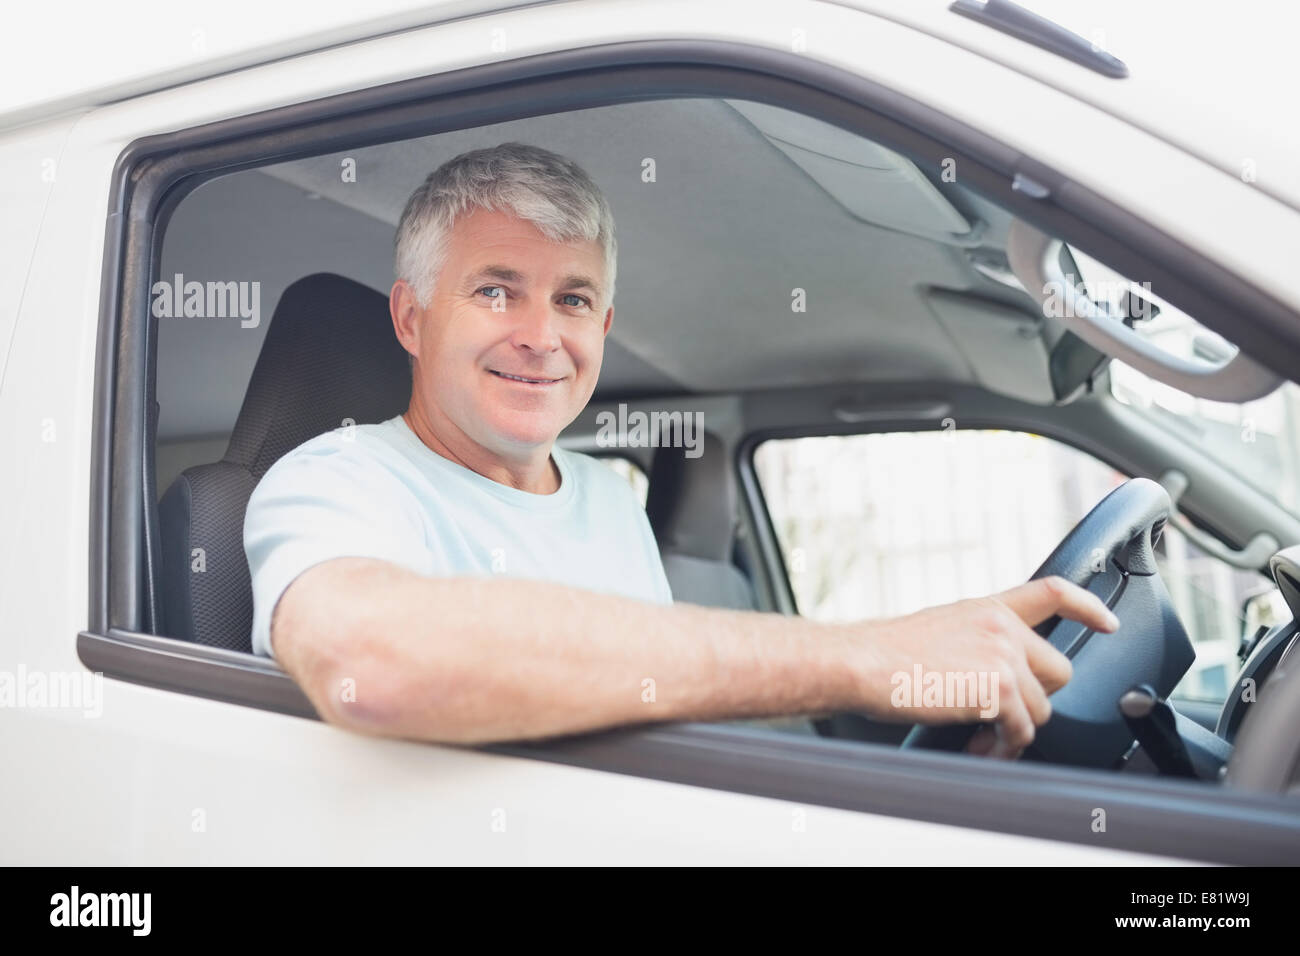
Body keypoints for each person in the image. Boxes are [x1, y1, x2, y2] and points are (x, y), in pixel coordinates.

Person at [244, 142, 1117, 759]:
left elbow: (659, 719)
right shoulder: (333, 481)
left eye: (575, 300)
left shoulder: (606, 497)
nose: (543, 336)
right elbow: (375, 667)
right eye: (496, 290)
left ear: (604, 325)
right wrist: (864, 657)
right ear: (411, 317)